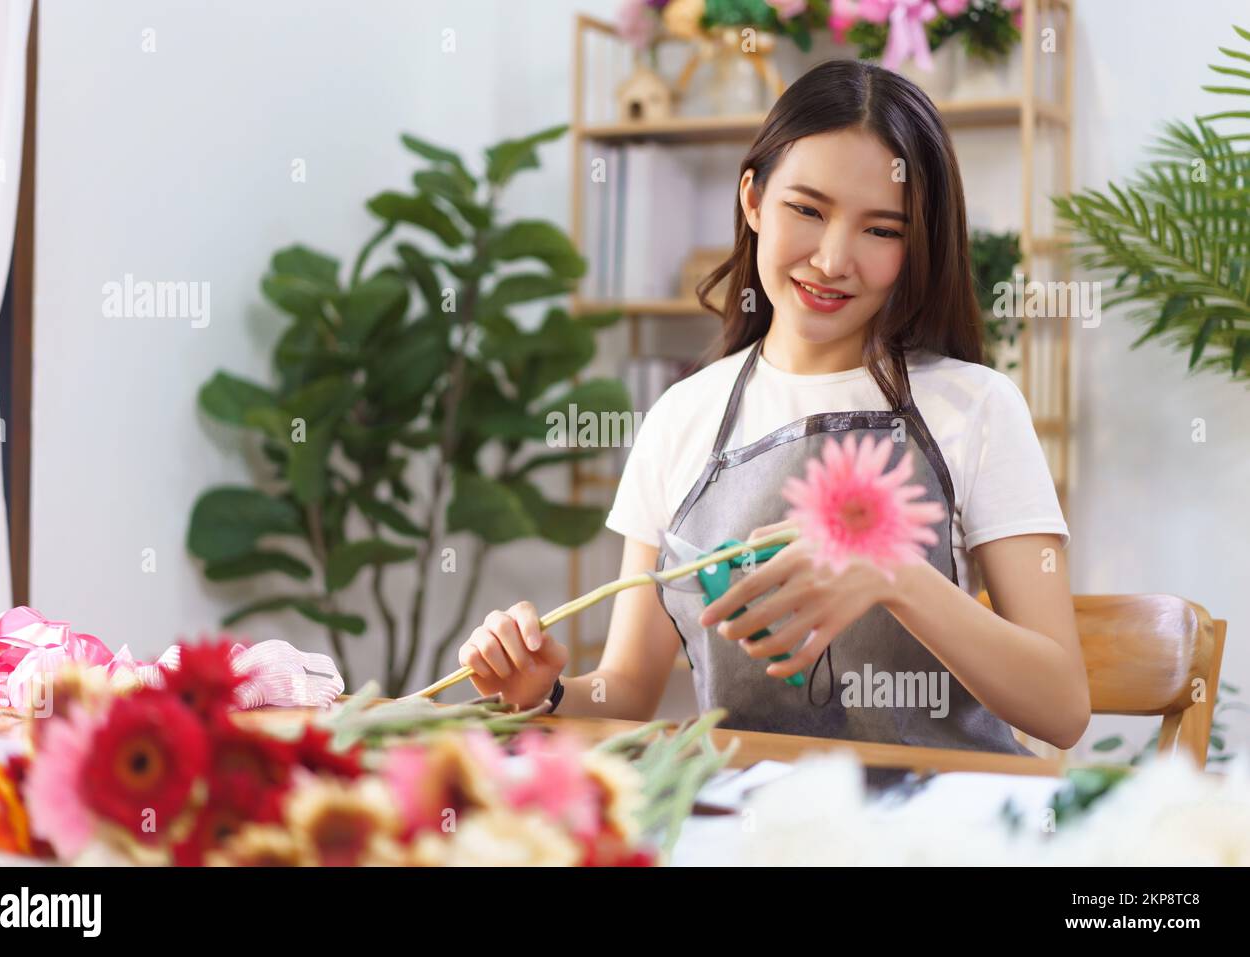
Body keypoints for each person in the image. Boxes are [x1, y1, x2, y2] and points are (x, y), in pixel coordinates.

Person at [457, 59, 1090, 753]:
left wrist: (896, 577)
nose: (831, 258)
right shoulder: (681, 417)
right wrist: (542, 691)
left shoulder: (976, 408)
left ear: (917, 247)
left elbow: (1060, 708)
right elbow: (626, 692)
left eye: (882, 230)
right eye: (807, 210)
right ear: (754, 200)